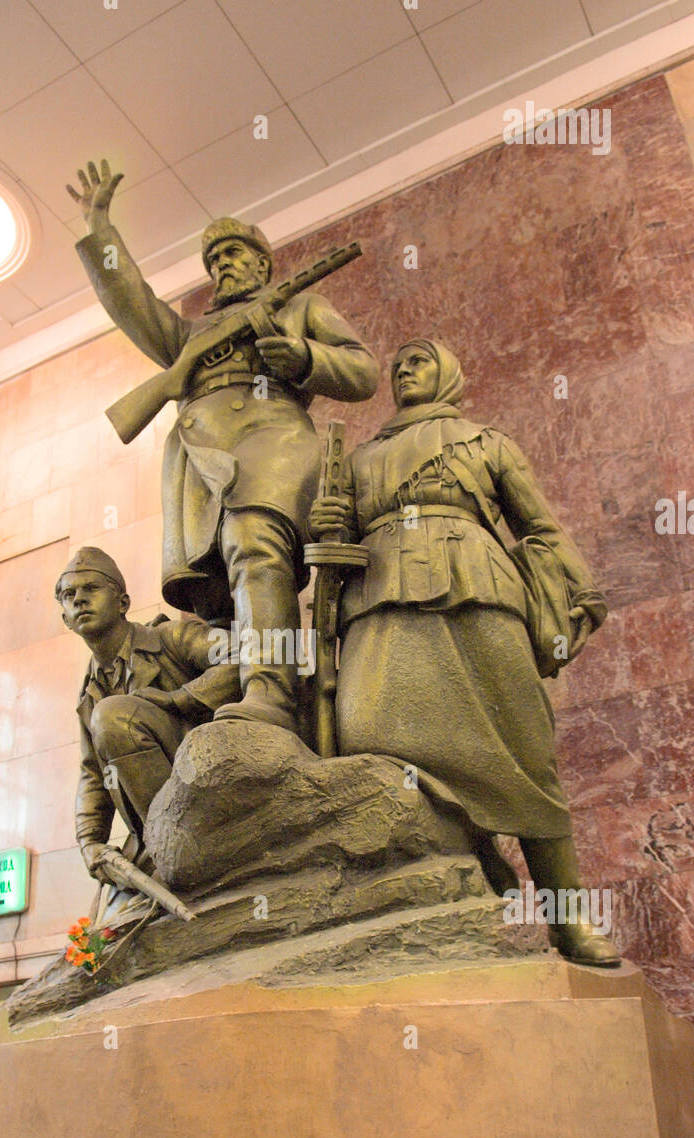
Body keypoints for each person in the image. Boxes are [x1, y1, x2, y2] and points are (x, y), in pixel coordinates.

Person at [308, 338, 619, 967]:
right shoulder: (357, 457)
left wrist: (582, 591)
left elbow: (539, 526)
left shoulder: (487, 443)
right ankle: (477, 872)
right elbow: (332, 542)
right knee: (374, 742)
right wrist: (329, 522)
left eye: (419, 360)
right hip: (378, 602)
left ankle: (566, 920)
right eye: (398, 366)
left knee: (525, 751)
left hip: (476, 588)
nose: (404, 370)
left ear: (450, 371)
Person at [67, 159, 379, 735]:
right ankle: (229, 695)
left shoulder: (298, 307)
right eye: (214, 260)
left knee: (255, 542)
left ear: (262, 263)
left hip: (271, 443)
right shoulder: (190, 336)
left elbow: (361, 372)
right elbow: (132, 302)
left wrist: (304, 357)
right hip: (201, 464)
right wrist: (99, 230)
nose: (223, 266)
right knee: (216, 598)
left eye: (235, 255)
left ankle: (272, 695)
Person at [56, 547, 240, 884]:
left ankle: (181, 843)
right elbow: (93, 775)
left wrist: (177, 699)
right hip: (150, 833)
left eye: (92, 589)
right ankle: (165, 849)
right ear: (65, 619)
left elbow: (242, 656)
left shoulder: (170, 637)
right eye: (70, 595)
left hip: (212, 793)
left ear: (123, 603)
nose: (79, 600)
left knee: (112, 715)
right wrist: (90, 842)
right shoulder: (89, 694)